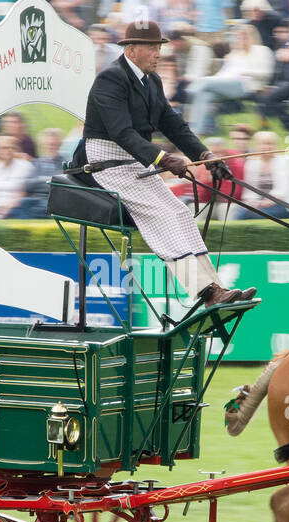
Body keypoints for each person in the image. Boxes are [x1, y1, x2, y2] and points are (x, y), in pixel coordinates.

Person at [78, 20, 251, 307]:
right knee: (162, 215)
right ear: (131, 49)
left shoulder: (152, 80)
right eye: (153, 48)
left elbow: (173, 125)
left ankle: (216, 288)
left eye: (159, 47)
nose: (159, 53)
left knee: (181, 213)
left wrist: (205, 156)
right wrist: (164, 158)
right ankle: (205, 292)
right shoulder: (110, 78)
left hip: (134, 160)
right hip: (106, 163)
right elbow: (122, 133)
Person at [233, 130, 289, 219]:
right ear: (256, 146)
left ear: (276, 146)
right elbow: (249, 189)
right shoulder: (251, 163)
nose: (266, 147)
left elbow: (283, 189)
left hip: (283, 203)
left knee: (257, 215)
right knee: (240, 215)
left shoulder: (284, 161)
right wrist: (252, 202)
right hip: (259, 202)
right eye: (262, 144)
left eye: (270, 144)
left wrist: (268, 202)